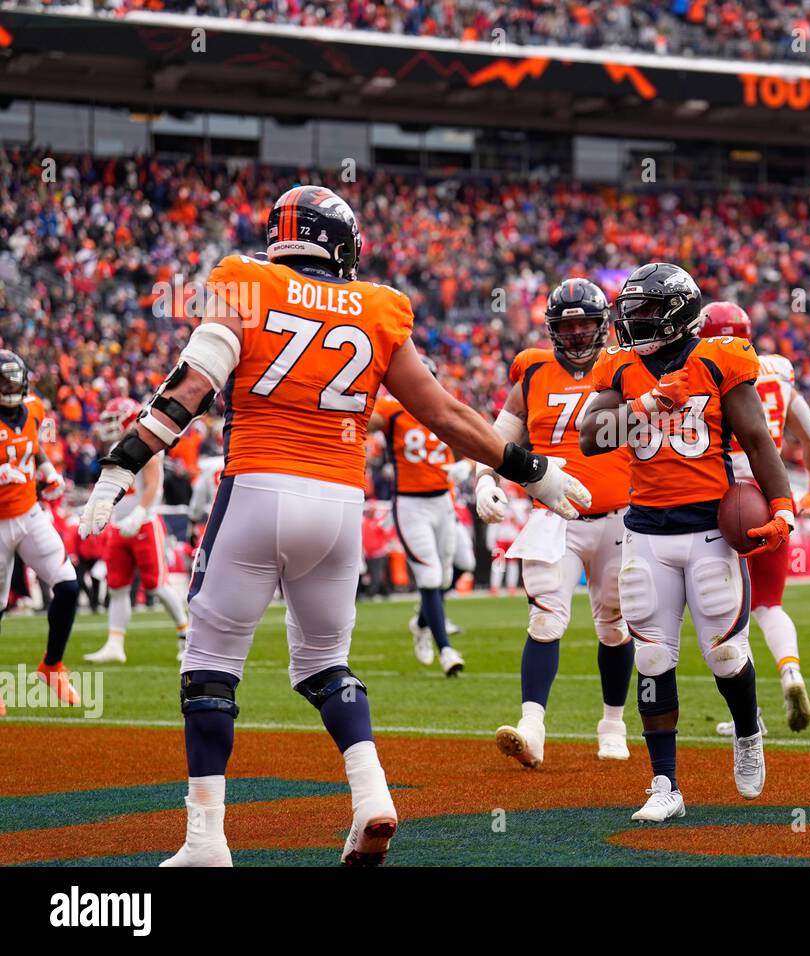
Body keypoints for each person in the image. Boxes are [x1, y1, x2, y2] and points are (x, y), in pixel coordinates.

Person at [78, 184, 590, 867]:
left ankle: (205, 839)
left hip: (257, 488)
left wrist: (122, 462)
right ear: (342, 246)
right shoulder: (377, 306)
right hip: (340, 505)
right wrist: (535, 471)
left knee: (209, 666)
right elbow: (445, 415)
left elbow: (192, 386)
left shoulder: (245, 280)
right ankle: (371, 793)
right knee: (324, 664)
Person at [580, 262, 794, 822]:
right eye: (630, 310)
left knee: (725, 655)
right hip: (647, 531)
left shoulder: (720, 357)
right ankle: (664, 784)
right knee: (651, 655)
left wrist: (784, 508)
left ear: (676, 312)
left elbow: (756, 439)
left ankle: (747, 733)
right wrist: (651, 403)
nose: (632, 321)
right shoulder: (622, 365)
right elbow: (592, 437)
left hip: (708, 531)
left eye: (645, 310)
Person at [481, 278, 636, 767]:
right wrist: (485, 479)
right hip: (555, 517)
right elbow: (501, 434)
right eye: (568, 326)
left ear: (603, 325)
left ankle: (612, 722)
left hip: (619, 518)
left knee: (614, 626)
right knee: (546, 618)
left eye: (586, 323)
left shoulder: (625, 367)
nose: (576, 334)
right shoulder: (531, 371)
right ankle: (532, 726)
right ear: (553, 329)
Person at [699, 301, 810, 734]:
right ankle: (791, 672)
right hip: (775, 496)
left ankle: (749, 716)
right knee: (770, 604)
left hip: (727, 497)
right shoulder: (779, 368)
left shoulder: (706, 366)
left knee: (731, 609)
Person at [370, 363, 467, 675]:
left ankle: (422, 620)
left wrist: (472, 465)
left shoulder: (444, 406)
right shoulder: (392, 409)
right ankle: (446, 651)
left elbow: (468, 436)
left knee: (461, 566)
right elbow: (367, 421)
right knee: (429, 576)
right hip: (411, 504)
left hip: (444, 500)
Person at [0, 350, 80, 715]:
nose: (10, 387)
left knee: (67, 585)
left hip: (29, 513)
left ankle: (52, 665)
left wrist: (47, 471)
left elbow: (35, 448)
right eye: (3, 382)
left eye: (14, 380)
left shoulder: (34, 408)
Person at [83, 396, 191, 665]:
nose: (108, 426)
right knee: (117, 586)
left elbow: (153, 484)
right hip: (120, 524)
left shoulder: (147, 442)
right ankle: (115, 643)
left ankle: (185, 635)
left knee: (156, 585)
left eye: (112, 419)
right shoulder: (116, 445)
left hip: (143, 522)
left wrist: (140, 513)